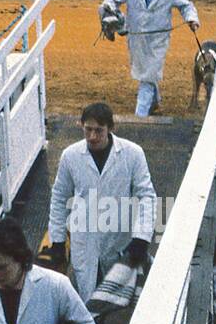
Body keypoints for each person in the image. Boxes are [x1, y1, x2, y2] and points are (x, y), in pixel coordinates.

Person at [48, 102, 156, 312]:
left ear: (111, 128)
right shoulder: (70, 156)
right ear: (81, 126)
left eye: (99, 130)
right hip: (84, 240)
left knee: (118, 301)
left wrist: (141, 238)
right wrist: (58, 241)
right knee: (87, 304)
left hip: (118, 239)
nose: (92, 137)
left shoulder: (133, 154)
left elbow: (147, 196)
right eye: (88, 129)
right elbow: (59, 198)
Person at [100, 0, 200, 116]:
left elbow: (186, 6)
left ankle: (141, 115)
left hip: (158, 40)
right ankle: (154, 101)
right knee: (147, 72)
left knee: (148, 76)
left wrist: (192, 19)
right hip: (137, 38)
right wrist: (110, 10)